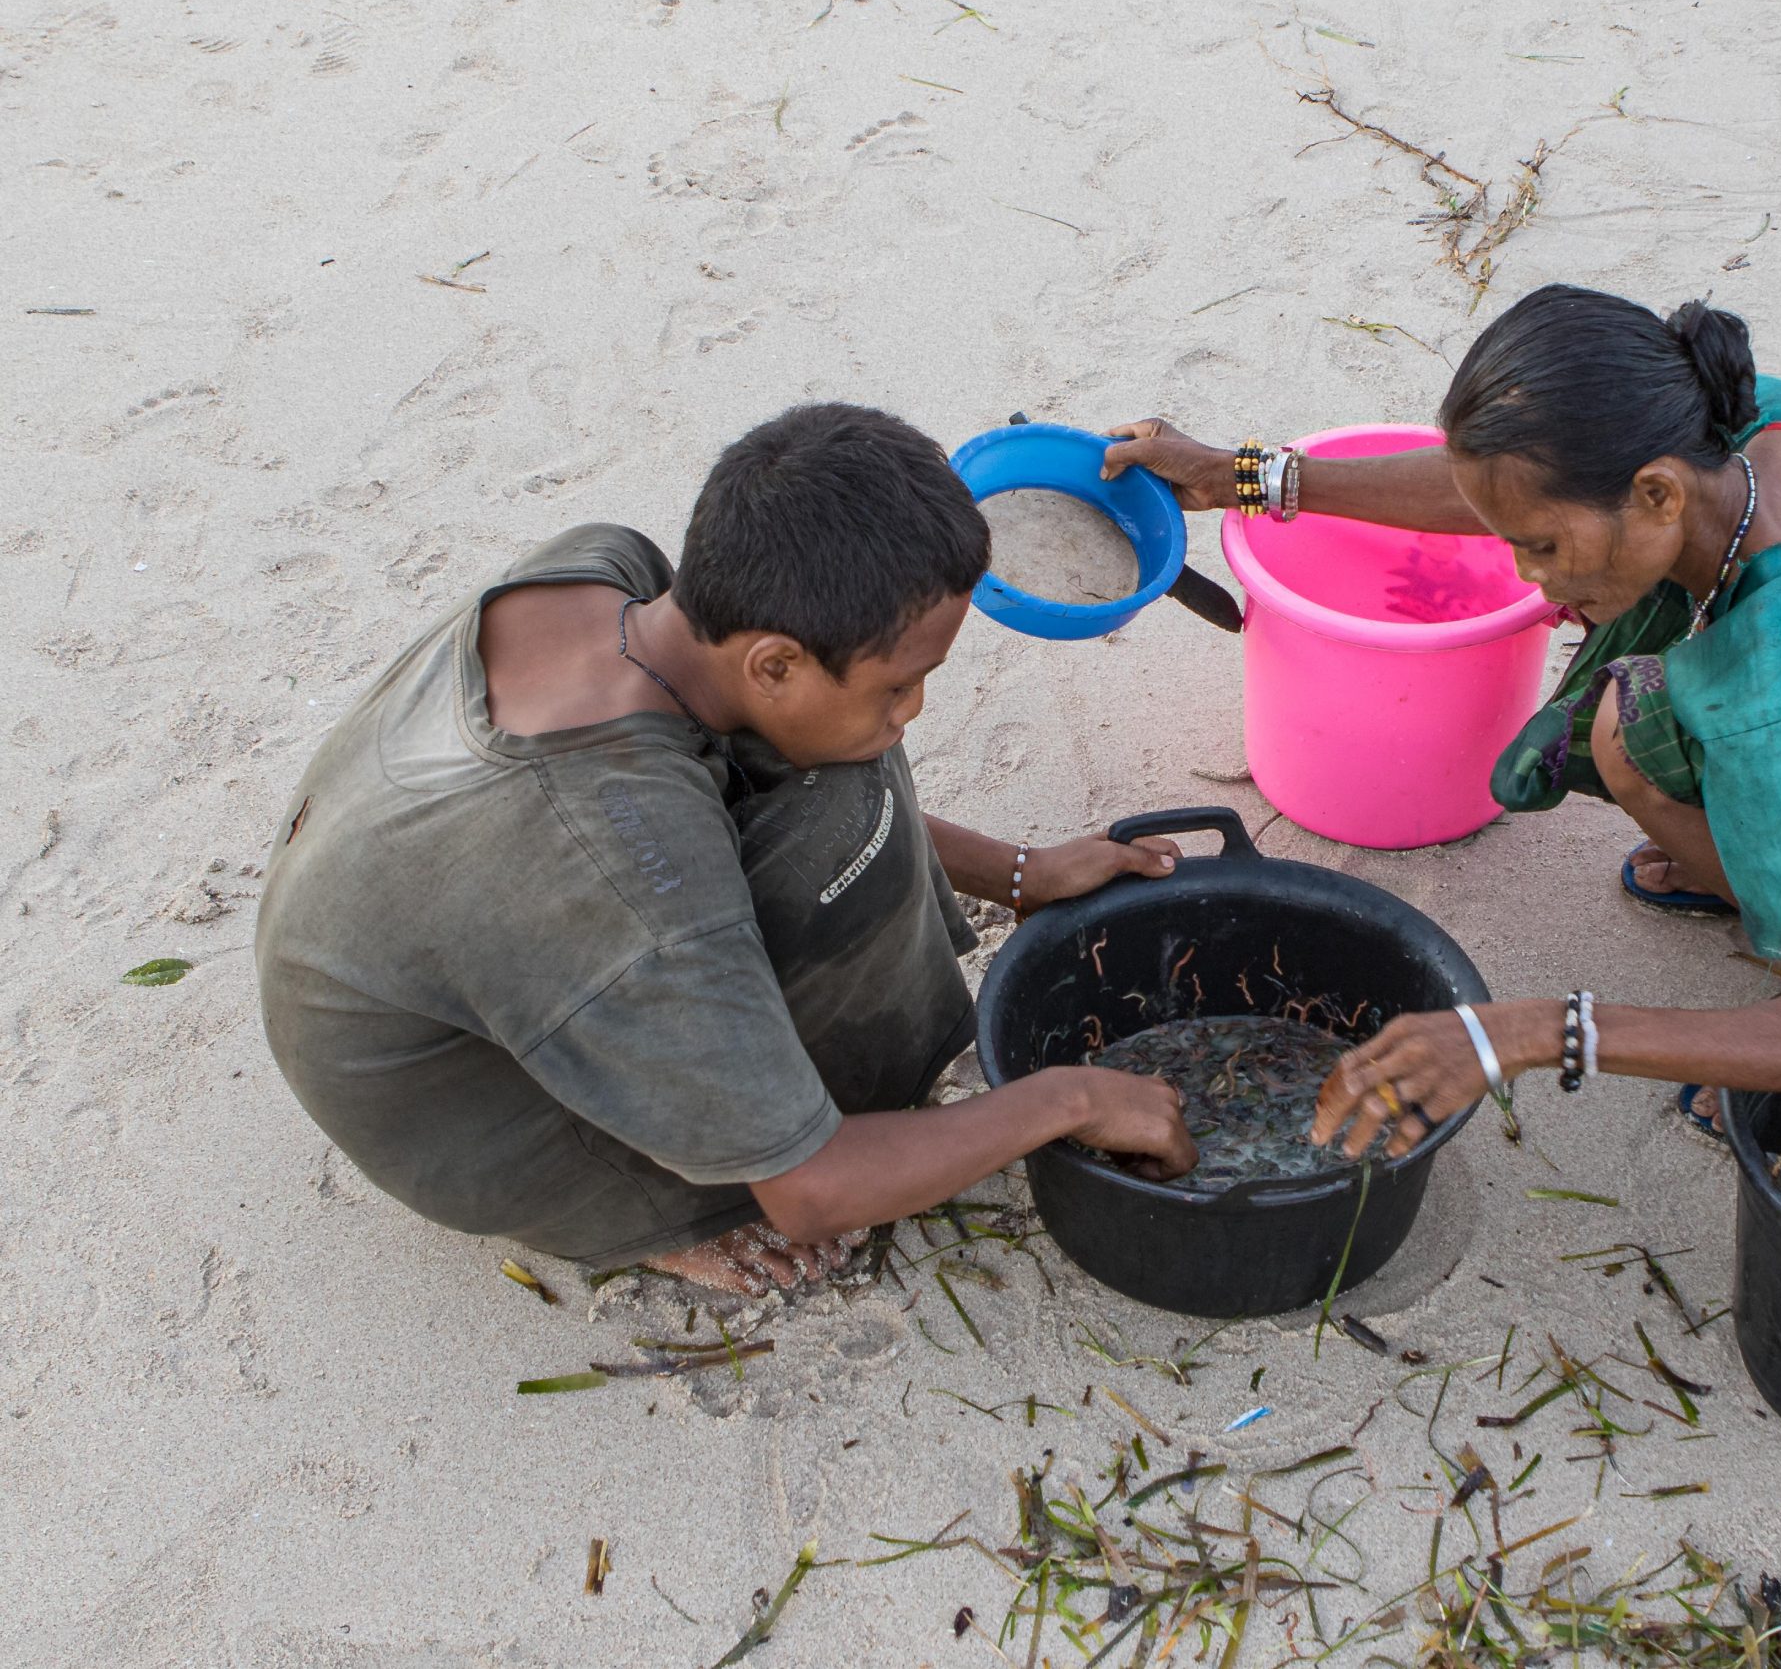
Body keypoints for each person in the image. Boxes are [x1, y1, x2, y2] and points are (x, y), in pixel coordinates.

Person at [1101, 284, 1781, 1156]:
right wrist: (1246, 476)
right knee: (1632, 718)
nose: (1529, 576)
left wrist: (1526, 1032)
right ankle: (1773, 871)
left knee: (1633, 745)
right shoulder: (1733, 427)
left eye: (1544, 549)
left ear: (1655, 496)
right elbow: (1501, 488)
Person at [256, 403, 1197, 1295]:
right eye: (901, 685)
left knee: (842, 753)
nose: (914, 709)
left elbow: (739, 759)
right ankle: (664, 1205)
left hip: (419, 943)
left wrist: (1020, 870)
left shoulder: (612, 576)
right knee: (845, 819)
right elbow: (813, 1190)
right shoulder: (628, 883)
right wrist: (1070, 1100)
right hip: (461, 1108)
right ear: (774, 662)